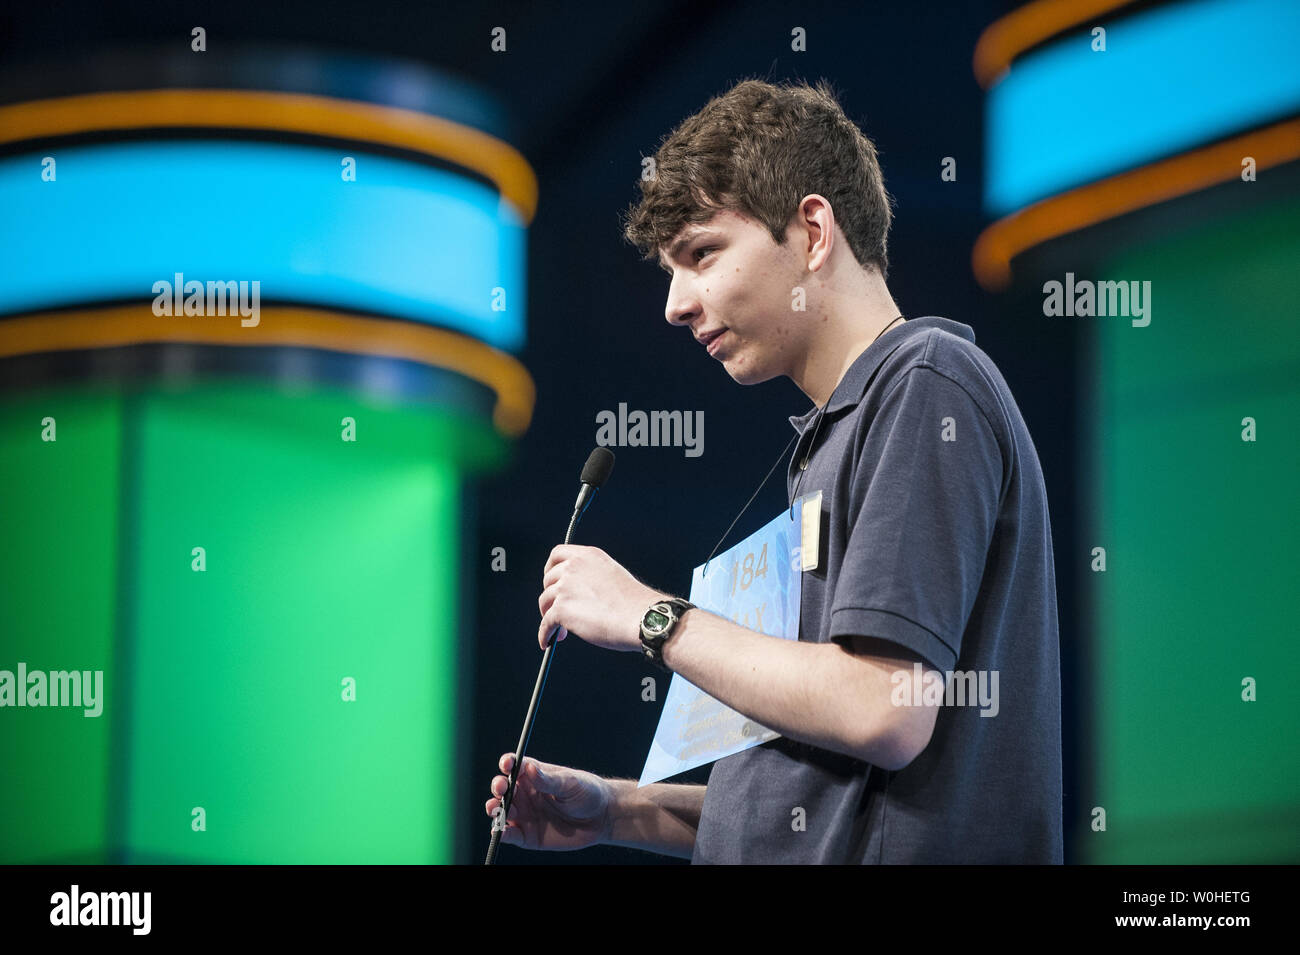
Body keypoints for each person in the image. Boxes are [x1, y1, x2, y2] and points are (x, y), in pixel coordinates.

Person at [486, 77, 1062, 863]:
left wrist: (650, 616)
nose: (675, 304)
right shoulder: (840, 434)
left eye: (701, 254)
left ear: (813, 231)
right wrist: (616, 808)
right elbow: (816, 791)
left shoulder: (926, 381)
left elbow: (884, 709)